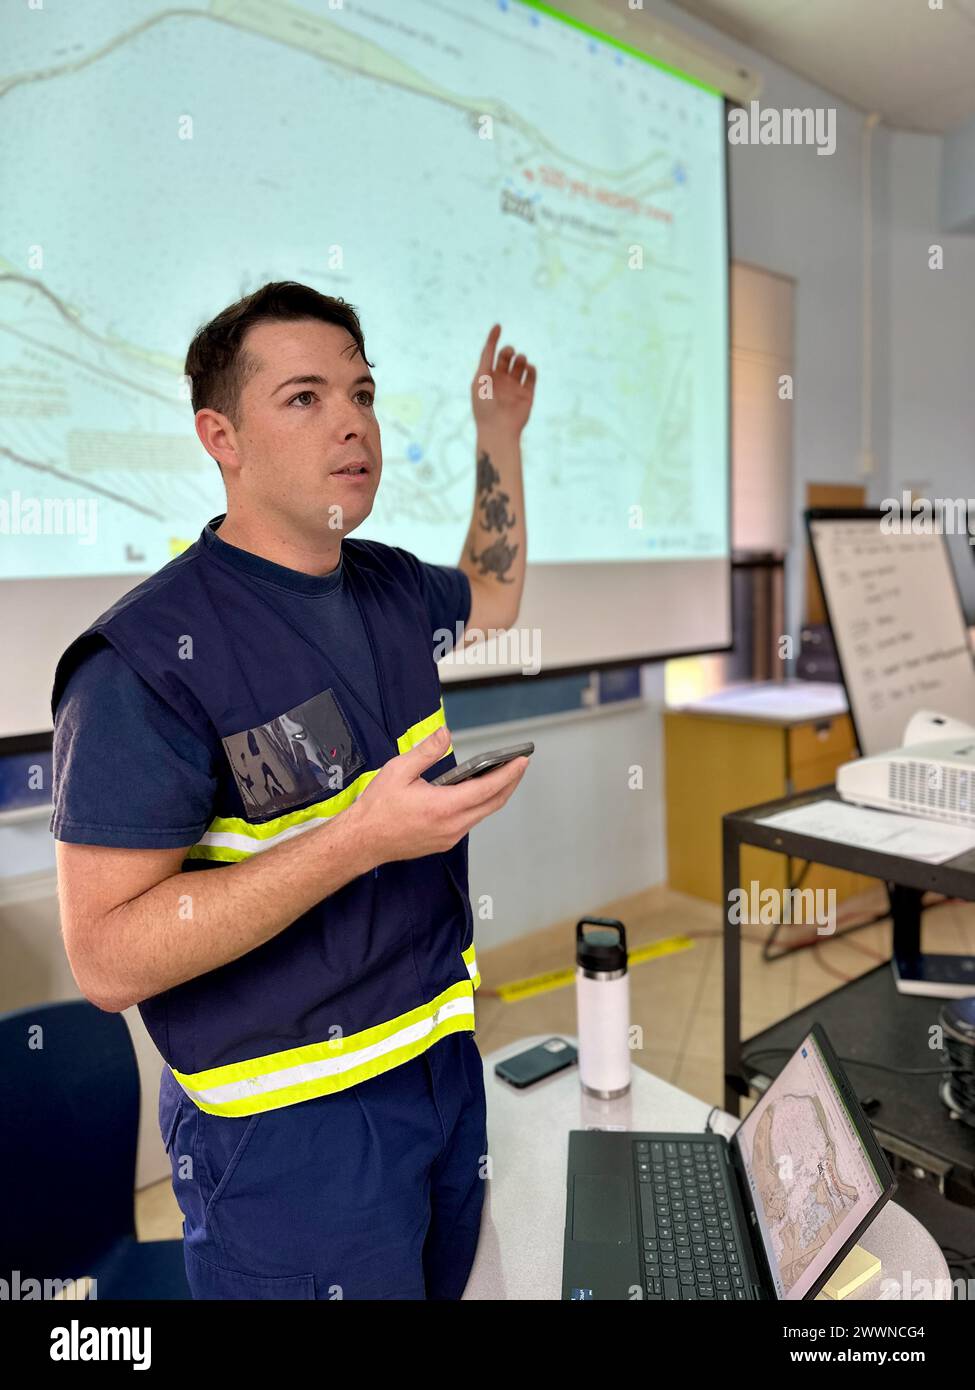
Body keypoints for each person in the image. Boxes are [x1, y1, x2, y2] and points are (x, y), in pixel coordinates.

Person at [51, 280, 536, 1299]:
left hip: (440, 1075)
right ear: (220, 436)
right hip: (289, 1143)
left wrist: (501, 433)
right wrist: (358, 837)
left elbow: (492, 592)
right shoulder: (145, 659)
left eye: (362, 392)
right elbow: (105, 959)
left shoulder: (392, 586)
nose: (353, 420)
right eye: (306, 397)